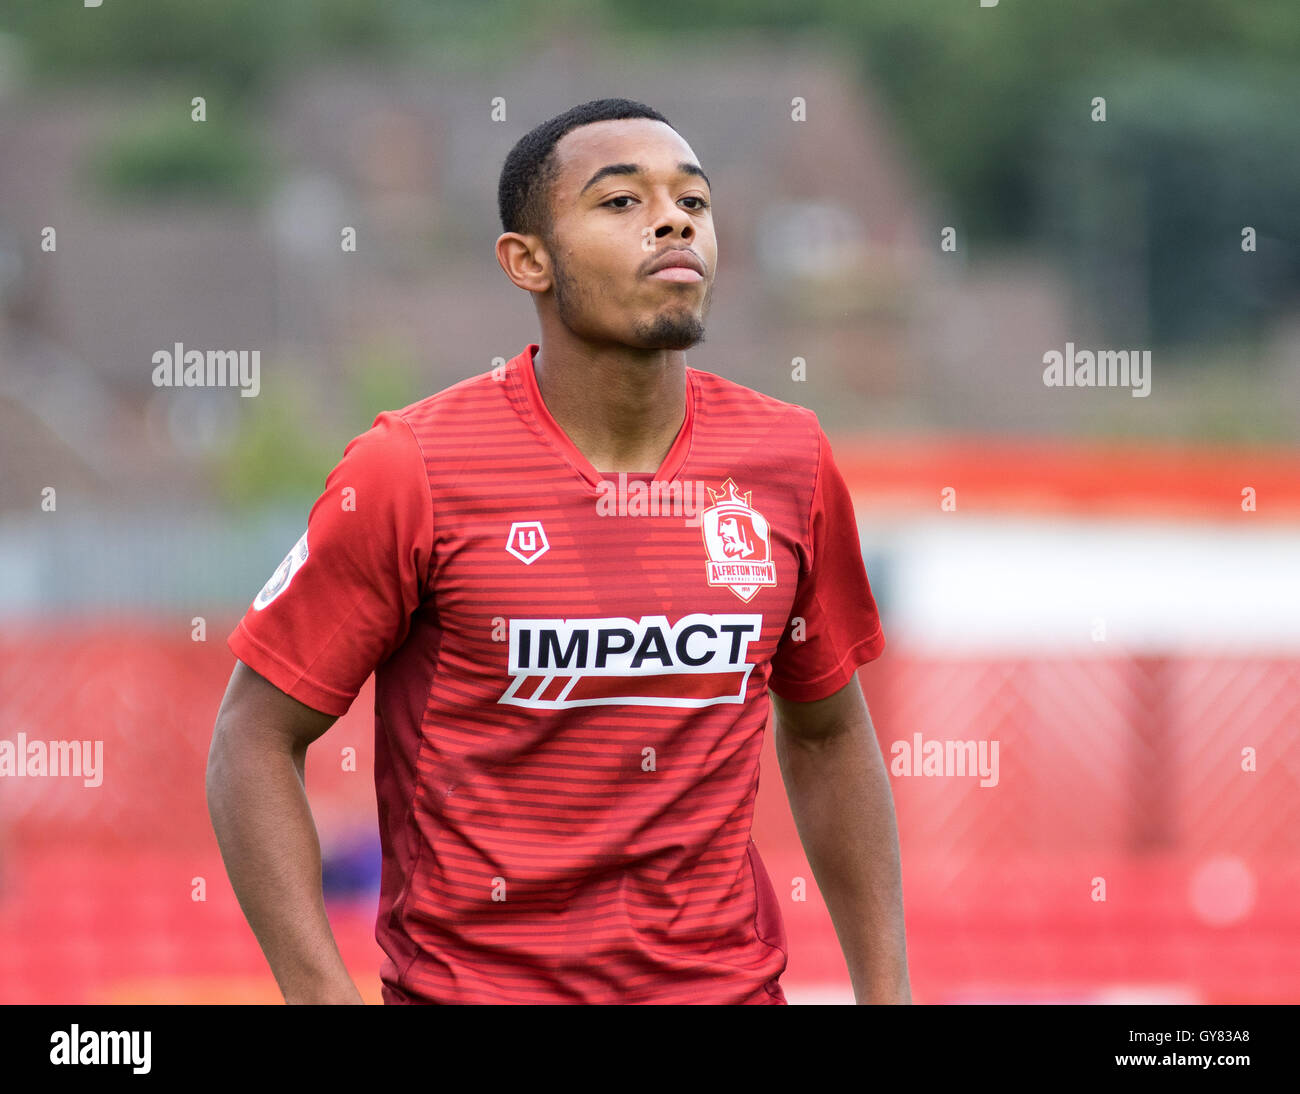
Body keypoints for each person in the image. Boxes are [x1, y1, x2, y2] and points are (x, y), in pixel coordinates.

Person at [206, 97, 910, 1005]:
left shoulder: (791, 459)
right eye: (621, 202)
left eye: (692, 201)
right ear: (526, 260)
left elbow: (830, 735)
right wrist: (322, 996)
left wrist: (888, 998)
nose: (672, 220)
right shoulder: (408, 468)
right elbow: (251, 739)